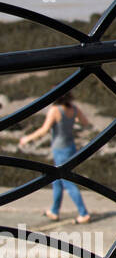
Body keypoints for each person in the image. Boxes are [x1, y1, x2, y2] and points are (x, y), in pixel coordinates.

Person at [19, 92, 92, 223]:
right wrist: (72, 120)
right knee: (56, 180)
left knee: (67, 182)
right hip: (71, 148)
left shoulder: (55, 110)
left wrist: (27, 138)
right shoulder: (74, 109)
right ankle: (54, 211)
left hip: (60, 150)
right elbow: (85, 122)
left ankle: (83, 213)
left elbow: (44, 130)